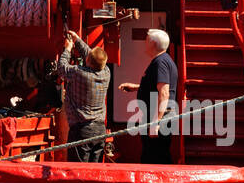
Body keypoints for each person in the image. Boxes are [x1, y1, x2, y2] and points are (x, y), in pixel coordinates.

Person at [119, 28, 179, 163]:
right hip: (159, 117)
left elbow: (164, 92)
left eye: (146, 40)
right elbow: (158, 87)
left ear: (153, 43)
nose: (145, 43)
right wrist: (136, 88)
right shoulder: (164, 60)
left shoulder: (160, 63)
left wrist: (155, 122)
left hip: (157, 119)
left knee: (154, 157)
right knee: (156, 154)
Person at [57, 29, 111, 161]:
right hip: (99, 130)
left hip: (81, 131)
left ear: (88, 61)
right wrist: (77, 40)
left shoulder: (79, 73)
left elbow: (62, 68)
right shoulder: (106, 72)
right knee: (94, 170)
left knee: (78, 171)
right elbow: (91, 57)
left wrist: (68, 49)